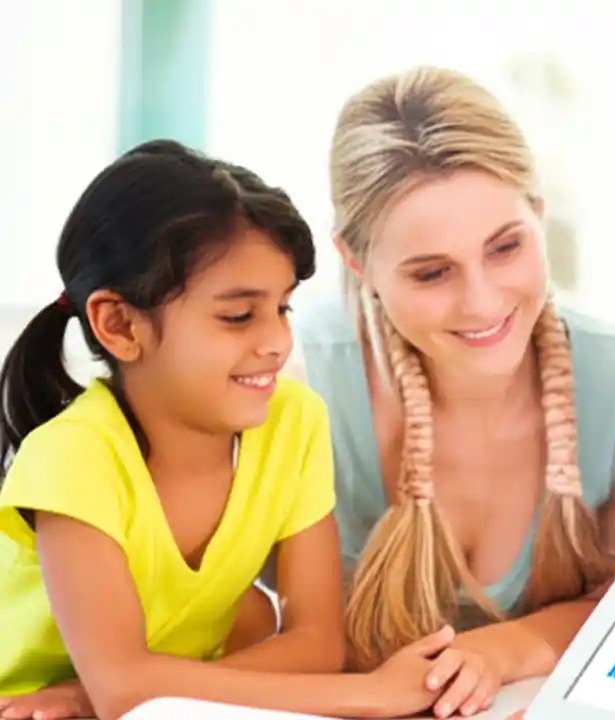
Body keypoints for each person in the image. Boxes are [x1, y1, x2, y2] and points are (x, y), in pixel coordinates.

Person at [0, 141, 457, 720]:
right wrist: (372, 693)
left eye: (283, 308)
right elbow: (123, 690)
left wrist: (114, 691)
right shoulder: (71, 457)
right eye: (238, 316)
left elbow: (316, 646)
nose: (275, 341)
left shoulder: (293, 422)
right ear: (119, 325)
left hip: (161, 707)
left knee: (251, 617)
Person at [288, 66, 615, 718]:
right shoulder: (298, 385)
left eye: (507, 247)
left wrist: (502, 651)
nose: (482, 302)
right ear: (355, 262)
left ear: (538, 216)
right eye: (432, 273)